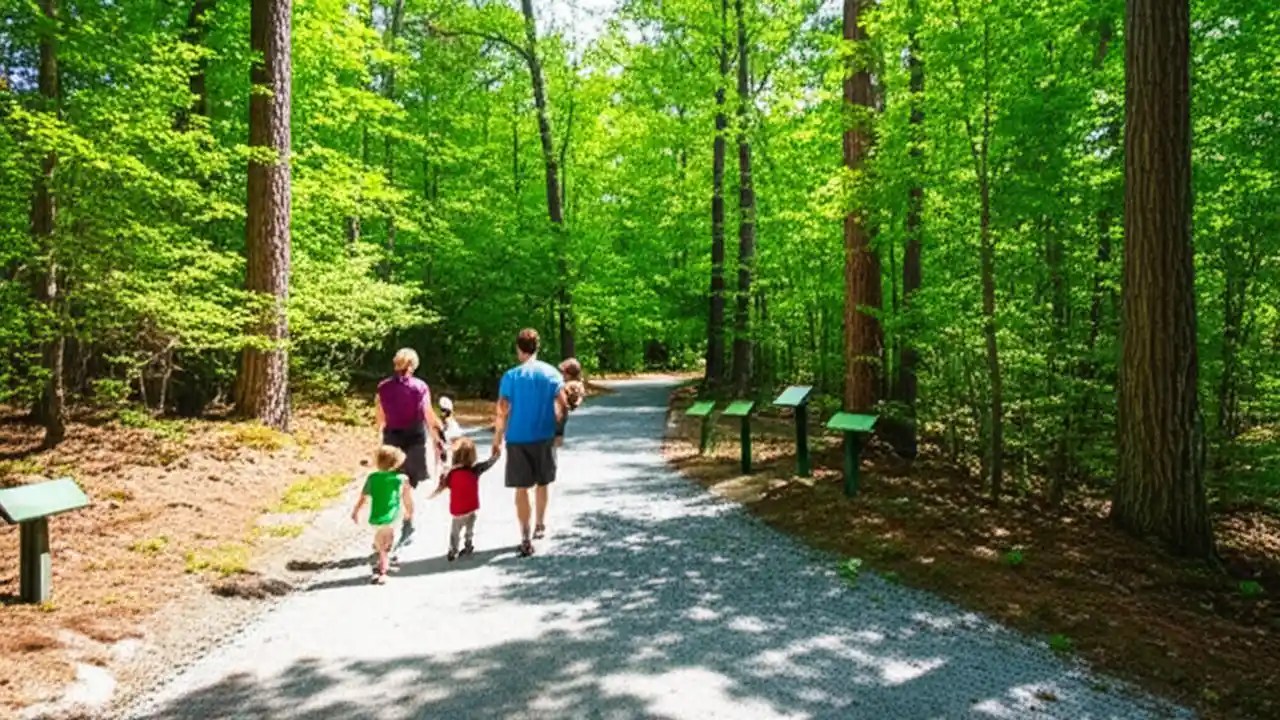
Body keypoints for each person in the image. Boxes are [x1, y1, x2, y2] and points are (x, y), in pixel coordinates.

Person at [493, 328, 569, 557]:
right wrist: (559, 431)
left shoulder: (511, 376)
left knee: (521, 488)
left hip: (517, 438)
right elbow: (563, 406)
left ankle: (525, 534)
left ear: (519, 349)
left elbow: (502, 410)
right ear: (538, 348)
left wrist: (497, 438)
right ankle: (540, 525)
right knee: (543, 483)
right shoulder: (552, 374)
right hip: (544, 436)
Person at [375, 348, 439, 547]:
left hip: (392, 437)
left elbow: (380, 417)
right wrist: (438, 437)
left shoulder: (383, 387)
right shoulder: (420, 387)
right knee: (408, 483)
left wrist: (379, 438)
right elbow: (428, 414)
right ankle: (409, 519)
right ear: (413, 365)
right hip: (414, 438)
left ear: (396, 364)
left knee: (392, 480)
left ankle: (388, 525)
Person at [351, 445, 415, 585]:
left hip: (376, 516)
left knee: (381, 540)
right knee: (387, 542)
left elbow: (364, 497)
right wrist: (410, 512)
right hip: (393, 516)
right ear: (396, 463)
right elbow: (407, 498)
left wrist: (356, 511)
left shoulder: (372, 478)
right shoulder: (401, 479)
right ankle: (382, 571)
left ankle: (381, 560)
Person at [430, 437, 500, 562]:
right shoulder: (475, 470)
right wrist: (496, 455)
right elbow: (488, 464)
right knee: (469, 528)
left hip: (457, 510)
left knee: (455, 532)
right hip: (471, 508)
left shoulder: (450, 473)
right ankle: (468, 545)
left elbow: (442, 476)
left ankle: (453, 549)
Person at [554, 358, 586, 447]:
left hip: (555, 414)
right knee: (557, 440)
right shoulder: (579, 385)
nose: (561, 374)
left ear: (568, 374)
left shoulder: (569, 385)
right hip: (563, 415)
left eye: (563, 372)